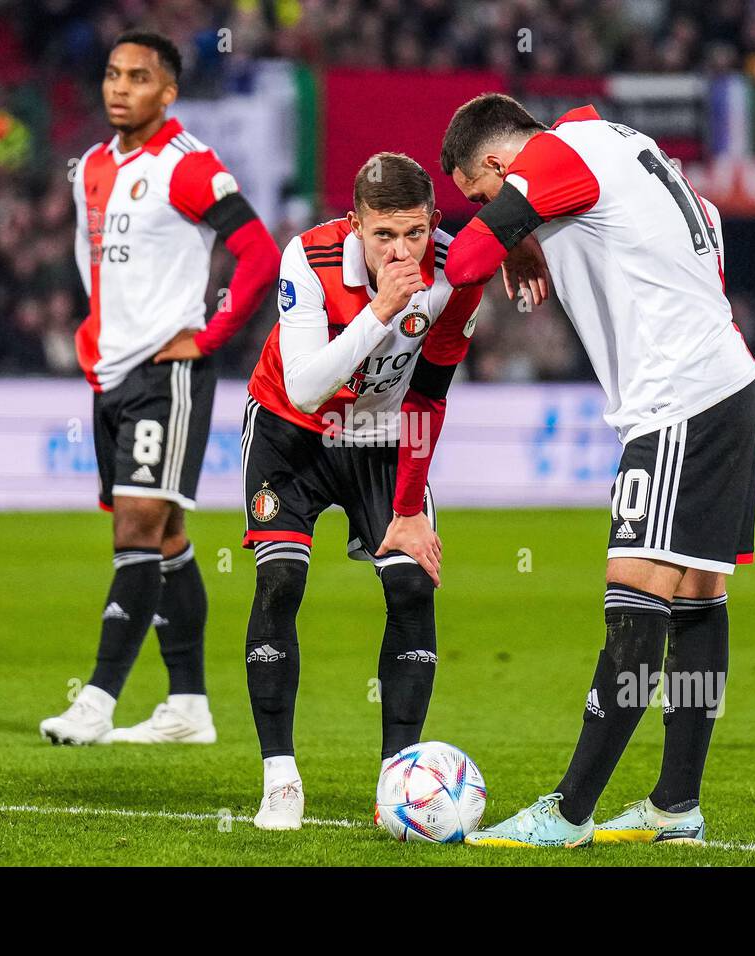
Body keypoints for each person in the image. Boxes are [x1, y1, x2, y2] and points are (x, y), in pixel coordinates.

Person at [440, 94, 755, 848]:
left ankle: (570, 812)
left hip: (679, 398)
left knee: (636, 595)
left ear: (498, 163)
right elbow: (707, 225)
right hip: (726, 382)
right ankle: (675, 807)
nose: (487, 207)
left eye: (481, 195)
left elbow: (463, 260)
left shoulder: (560, 155)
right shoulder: (623, 140)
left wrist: (511, 235)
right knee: (697, 592)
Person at [39, 31, 279, 746]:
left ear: (167, 92)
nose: (119, 88)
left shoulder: (189, 166)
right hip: (110, 372)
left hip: (166, 373)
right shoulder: (88, 168)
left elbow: (258, 253)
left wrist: (206, 338)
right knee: (167, 536)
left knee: (136, 529)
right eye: (112, 74)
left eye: (138, 77)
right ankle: (188, 709)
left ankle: (98, 700)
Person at [240, 152, 483, 830]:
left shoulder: (456, 270)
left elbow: (432, 390)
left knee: (411, 586)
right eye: (384, 235)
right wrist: (380, 310)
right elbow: (307, 387)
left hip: (382, 440)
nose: (401, 250)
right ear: (356, 226)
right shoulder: (308, 259)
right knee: (280, 583)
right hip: (291, 438)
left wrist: (408, 508)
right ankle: (280, 778)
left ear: (434, 223)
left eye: (414, 233)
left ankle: (398, 781)